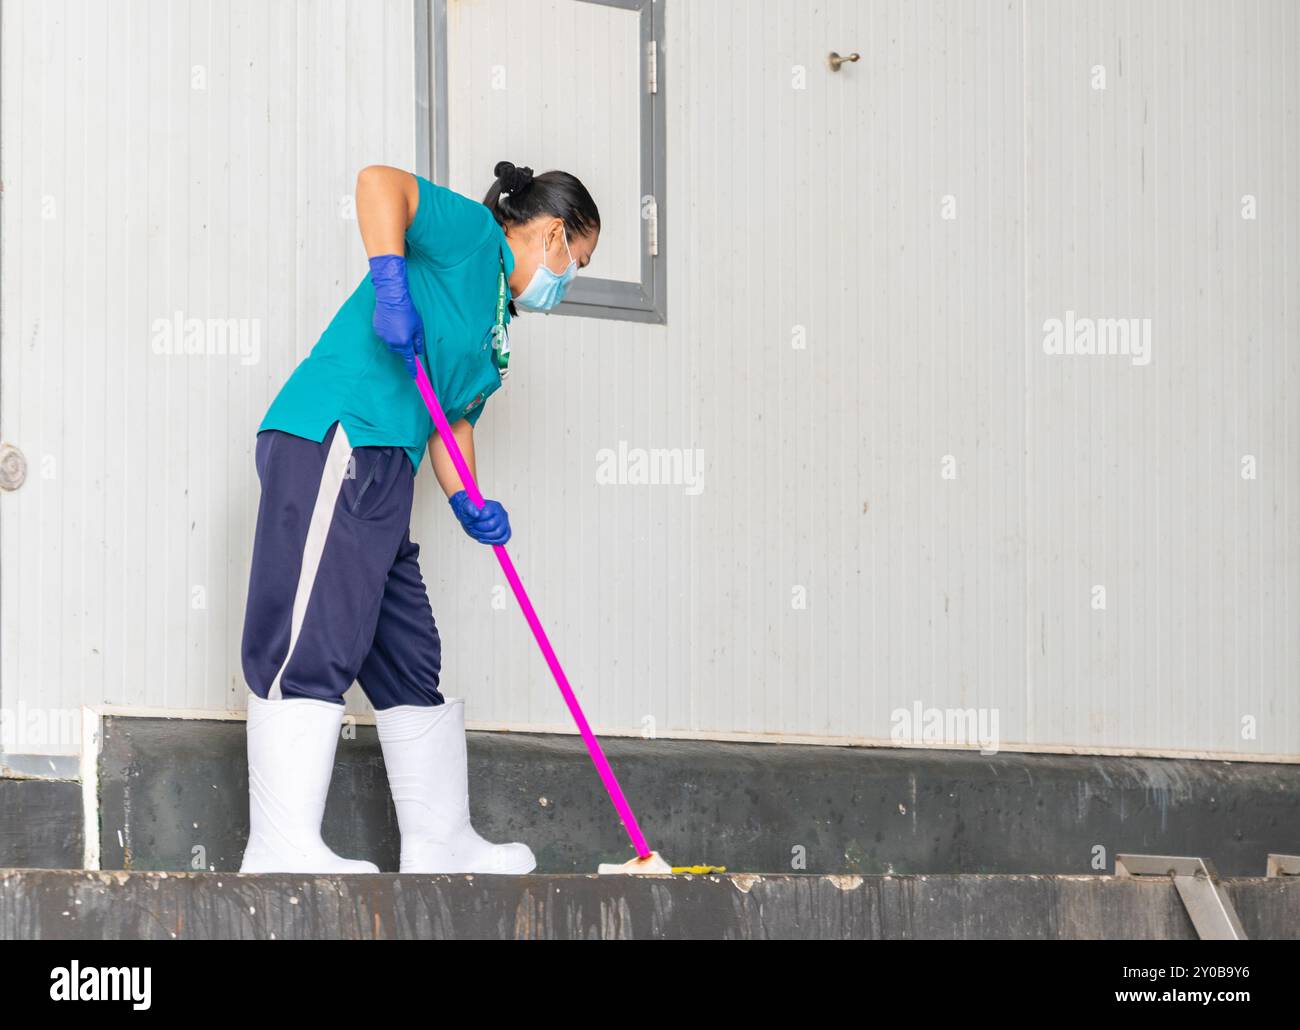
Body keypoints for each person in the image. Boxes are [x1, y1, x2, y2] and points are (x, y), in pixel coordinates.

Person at [237, 160, 600, 874]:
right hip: (339, 434)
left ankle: (440, 843)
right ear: (554, 234)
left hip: (389, 465)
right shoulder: (471, 235)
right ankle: (279, 846)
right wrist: (392, 285)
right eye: (576, 263)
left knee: (408, 655)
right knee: (312, 636)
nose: (568, 280)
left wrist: (470, 497)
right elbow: (379, 183)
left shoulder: (496, 326)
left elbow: (451, 422)